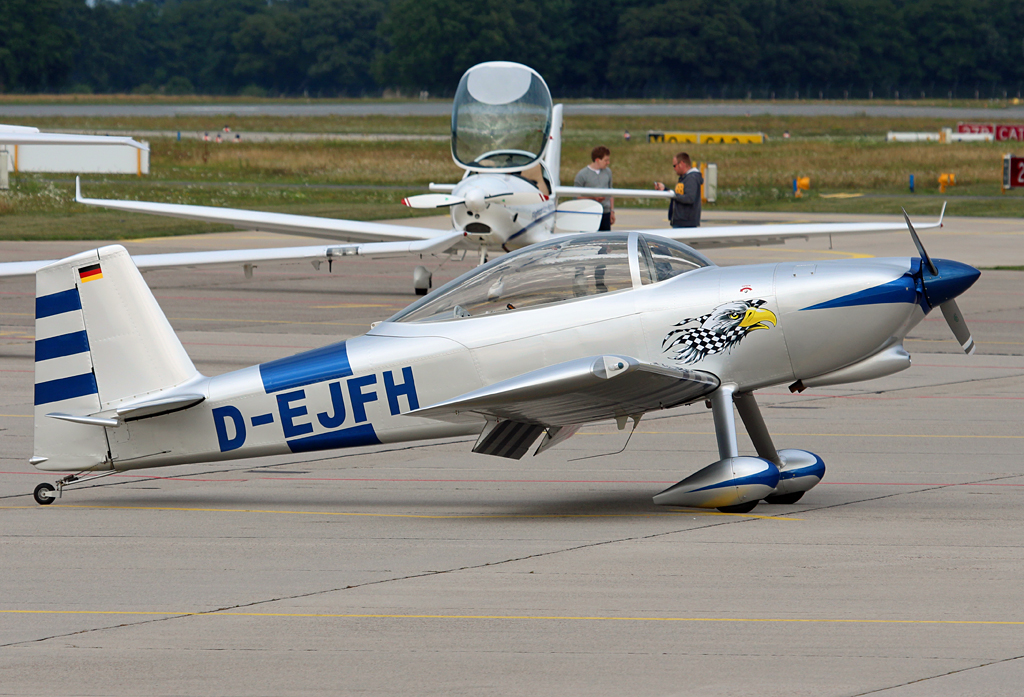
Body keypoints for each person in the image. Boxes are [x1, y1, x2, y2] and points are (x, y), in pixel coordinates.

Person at [654, 152, 702, 228]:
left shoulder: (691, 178)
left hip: (686, 224)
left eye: (675, 166)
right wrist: (665, 189)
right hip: (680, 222)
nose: (674, 168)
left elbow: (689, 198)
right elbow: (680, 194)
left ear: (682, 163)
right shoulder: (684, 178)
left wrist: (673, 195)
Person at [574, 146, 615, 230]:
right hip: (589, 213)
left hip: (605, 213)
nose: (608, 163)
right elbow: (576, 196)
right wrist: (593, 198)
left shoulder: (608, 172)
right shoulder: (582, 175)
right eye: (606, 160)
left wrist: (612, 211)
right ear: (597, 160)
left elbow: (611, 192)